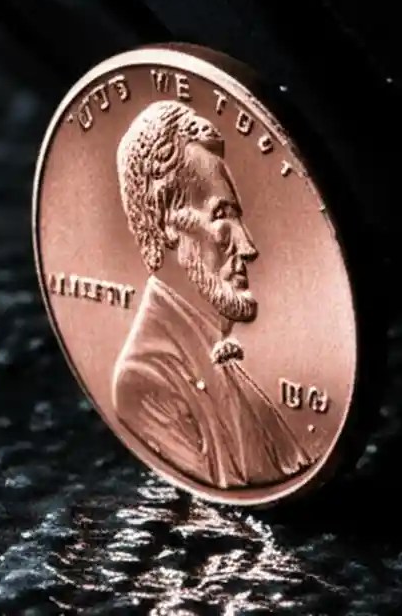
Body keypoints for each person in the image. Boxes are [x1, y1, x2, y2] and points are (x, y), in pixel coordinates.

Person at [111, 99, 314, 489]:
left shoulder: (221, 357)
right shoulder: (144, 382)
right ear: (167, 222)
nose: (248, 245)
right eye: (222, 215)